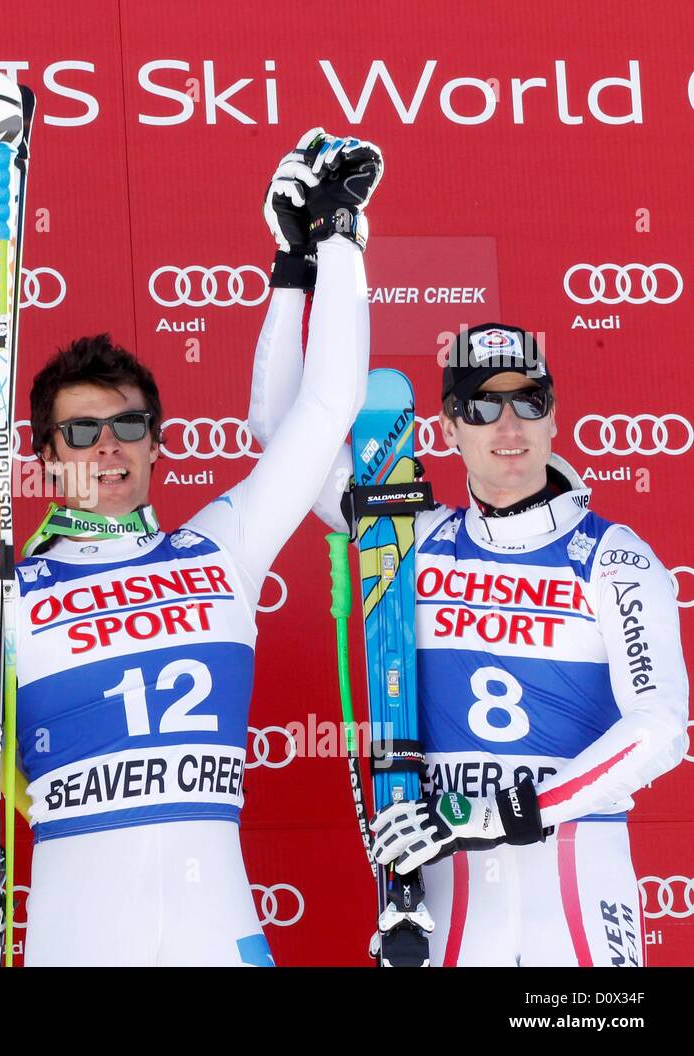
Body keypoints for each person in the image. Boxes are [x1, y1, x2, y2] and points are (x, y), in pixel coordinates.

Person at [0, 129, 382, 965]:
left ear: (158, 444)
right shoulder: (8, 591)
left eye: (128, 427)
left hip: (217, 927)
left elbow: (326, 404)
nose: (107, 448)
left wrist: (327, 246)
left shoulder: (219, 550)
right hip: (77, 931)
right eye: (81, 431)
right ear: (46, 454)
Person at [254, 316, 689, 966]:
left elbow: (660, 729)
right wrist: (297, 271)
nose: (508, 427)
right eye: (482, 407)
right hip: (449, 880)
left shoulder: (612, 557)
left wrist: (499, 814)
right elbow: (281, 435)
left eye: (527, 402)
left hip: (574, 871)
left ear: (554, 417)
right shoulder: (411, 542)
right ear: (450, 427)